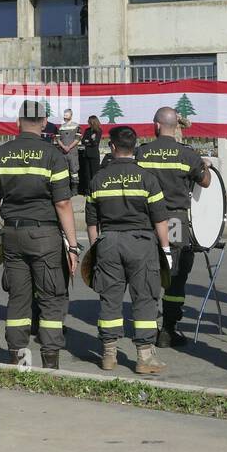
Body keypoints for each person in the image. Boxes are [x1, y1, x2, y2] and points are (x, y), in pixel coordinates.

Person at [0, 100, 77, 368]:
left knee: (18, 297)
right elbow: (63, 204)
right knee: (51, 297)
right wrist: (73, 246)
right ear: (44, 123)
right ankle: (50, 360)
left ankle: (18, 357)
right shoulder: (53, 155)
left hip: (12, 235)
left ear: (18, 122)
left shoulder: (1, 153)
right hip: (45, 235)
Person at [86, 125, 173, 375]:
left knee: (110, 298)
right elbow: (160, 220)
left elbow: (93, 223)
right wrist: (165, 250)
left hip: (108, 243)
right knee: (145, 298)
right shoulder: (147, 178)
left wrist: (95, 251)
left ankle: (109, 354)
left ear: (112, 147)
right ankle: (145, 357)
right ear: (134, 147)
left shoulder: (98, 179)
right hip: (141, 243)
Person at [134, 107, 212, 347]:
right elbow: (206, 182)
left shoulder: (142, 153)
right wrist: (204, 165)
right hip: (176, 221)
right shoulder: (187, 154)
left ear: (156, 126)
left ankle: (146, 328)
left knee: (148, 273)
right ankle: (168, 329)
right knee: (176, 276)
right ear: (175, 126)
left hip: (147, 220)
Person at [56, 109, 81, 190]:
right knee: (64, 171)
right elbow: (58, 139)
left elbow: (77, 139)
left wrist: (69, 147)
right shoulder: (61, 127)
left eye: (67, 115)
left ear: (71, 115)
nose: (65, 116)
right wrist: (63, 147)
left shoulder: (76, 126)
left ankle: (74, 189)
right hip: (63, 153)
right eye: (64, 115)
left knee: (74, 171)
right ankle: (66, 189)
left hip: (73, 153)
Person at [79, 116, 102, 196]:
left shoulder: (98, 131)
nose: (88, 123)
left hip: (94, 155)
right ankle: (87, 191)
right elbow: (83, 141)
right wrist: (90, 141)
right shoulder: (87, 130)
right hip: (86, 154)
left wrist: (89, 141)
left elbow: (95, 143)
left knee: (94, 173)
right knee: (87, 174)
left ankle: (95, 190)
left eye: (89, 121)